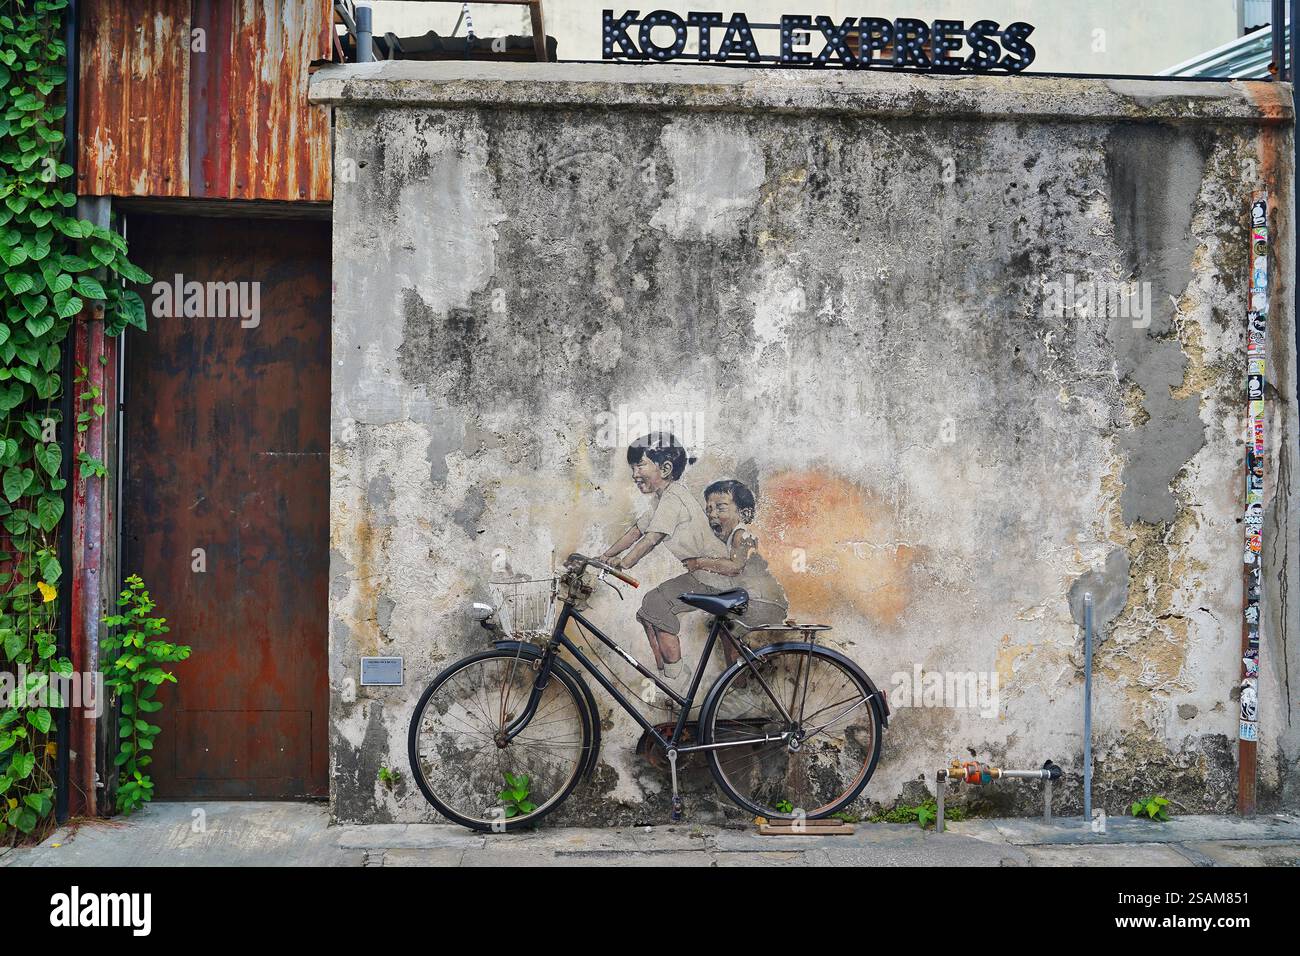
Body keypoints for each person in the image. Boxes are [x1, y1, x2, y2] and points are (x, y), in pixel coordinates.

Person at [598, 433, 730, 694]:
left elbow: (651, 539)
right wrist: (604, 556)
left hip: (713, 575)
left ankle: (678, 677)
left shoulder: (674, 499)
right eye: (633, 467)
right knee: (649, 607)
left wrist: (623, 564)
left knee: (657, 605)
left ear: (665, 469)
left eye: (640, 465)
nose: (635, 473)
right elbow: (637, 531)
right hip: (701, 575)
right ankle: (668, 672)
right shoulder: (662, 498)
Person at [686, 479, 790, 666]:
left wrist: (699, 563)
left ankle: (739, 679)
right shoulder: (732, 537)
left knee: (728, 630)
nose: (712, 514)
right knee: (726, 632)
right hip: (753, 600)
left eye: (720, 508)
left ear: (744, 513)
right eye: (709, 509)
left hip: (762, 602)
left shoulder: (742, 534)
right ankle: (739, 676)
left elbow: (735, 567)